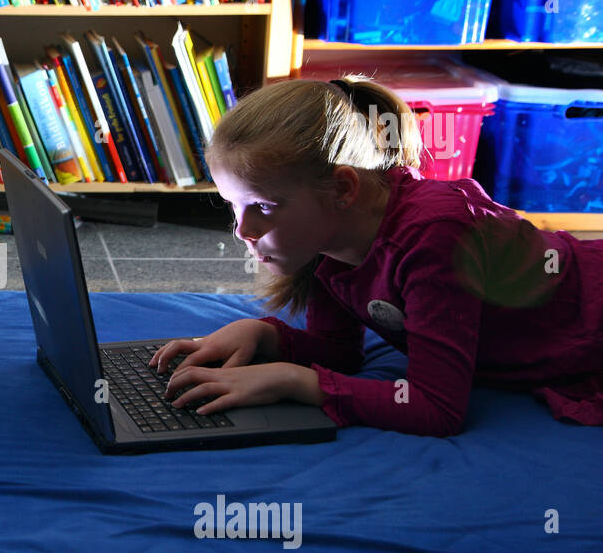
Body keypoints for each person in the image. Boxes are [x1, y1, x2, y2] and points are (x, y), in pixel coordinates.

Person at [150, 75, 603, 436]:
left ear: (343, 189)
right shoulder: (327, 237)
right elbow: (340, 354)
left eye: (263, 207)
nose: (242, 231)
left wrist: (291, 380)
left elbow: (437, 409)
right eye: (234, 206)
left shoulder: (435, 237)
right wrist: (264, 336)